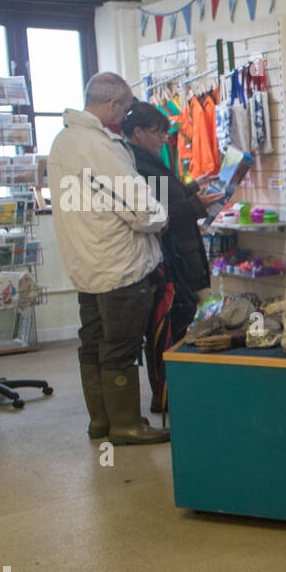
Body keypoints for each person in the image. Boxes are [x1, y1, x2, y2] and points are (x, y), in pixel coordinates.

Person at [47, 72, 170, 445]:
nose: (127, 115)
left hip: (86, 261)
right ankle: (126, 425)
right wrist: (161, 217)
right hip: (118, 264)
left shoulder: (63, 141)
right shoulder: (96, 145)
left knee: (93, 341)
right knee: (120, 345)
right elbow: (140, 206)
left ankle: (101, 421)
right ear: (113, 104)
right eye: (126, 107)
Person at [121, 100, 215, 412]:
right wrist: (196, 204)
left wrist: (191, 190)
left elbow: (165, 199)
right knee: (169, 328)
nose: (164, 138)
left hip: (178, 254)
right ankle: (167, 396)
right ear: (137, 132)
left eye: (164, 131)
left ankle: (172, 392)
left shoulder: (151, 161)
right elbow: (159, 216)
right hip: (169, 258)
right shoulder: (140, 166)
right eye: (157, 131)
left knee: (178, 322)